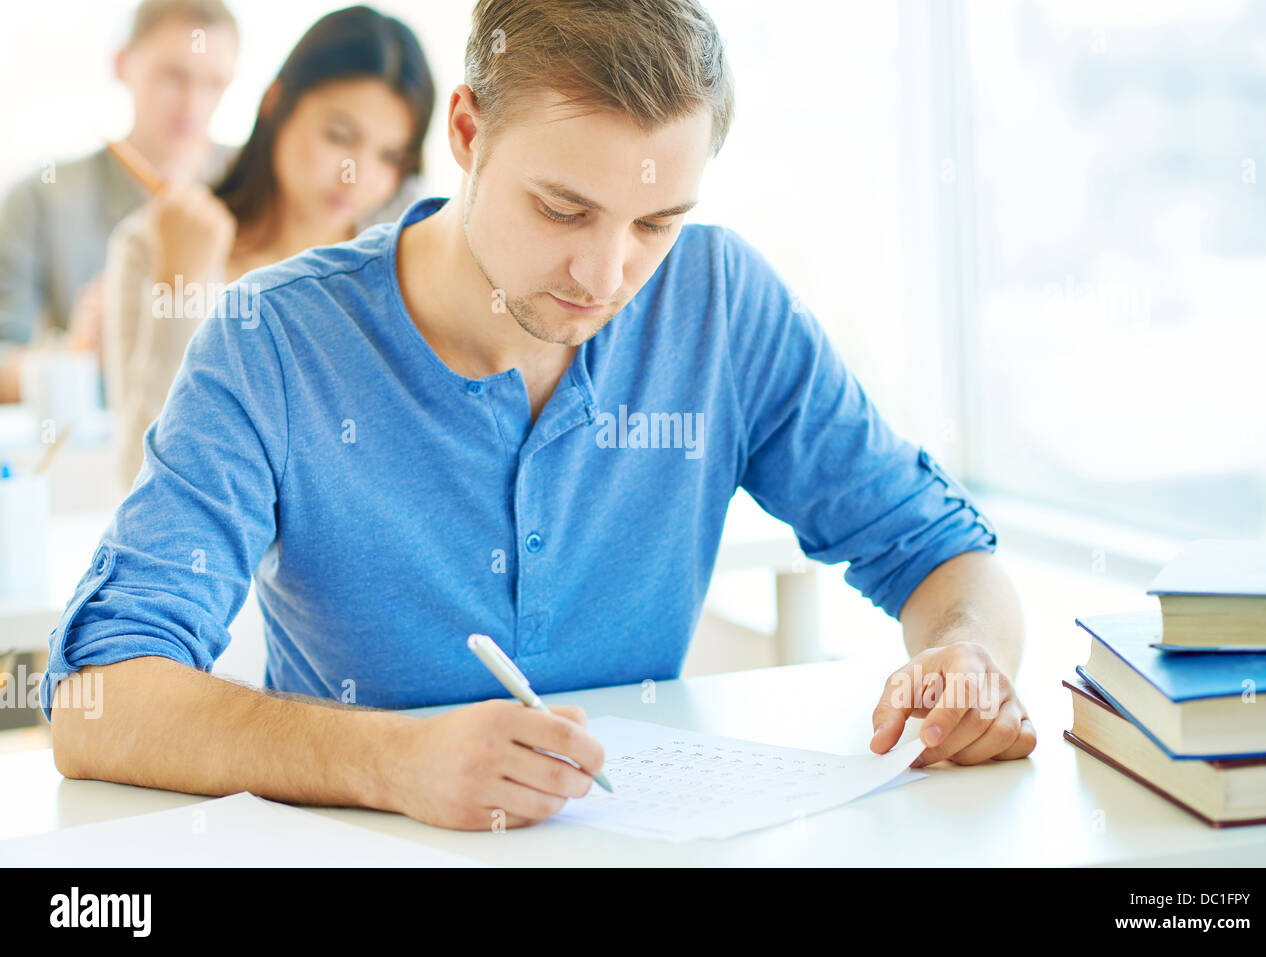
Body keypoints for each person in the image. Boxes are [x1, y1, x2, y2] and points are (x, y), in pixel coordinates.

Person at [44, 0, 1035, 833]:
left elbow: (940, 552)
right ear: (468, 134)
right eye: (563, 210)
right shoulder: (275, 339)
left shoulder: (721, 304)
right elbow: (98, 700)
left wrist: (969, 661)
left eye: (655, 222)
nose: (605, 279)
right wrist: (389, 762)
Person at [103, 5, 435, 492]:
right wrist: (183, 285)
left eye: (390, 155)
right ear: (275, 103)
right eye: (339, 136)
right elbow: (139, 477)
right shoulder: (151, 245)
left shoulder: (400, 261)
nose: (358, 175)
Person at [0, 0, 240, 404]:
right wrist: (73, 356)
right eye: (172, 76)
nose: (192, 104)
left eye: (214, 83)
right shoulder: (41, 198)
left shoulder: (255, 188)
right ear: (122, 65)